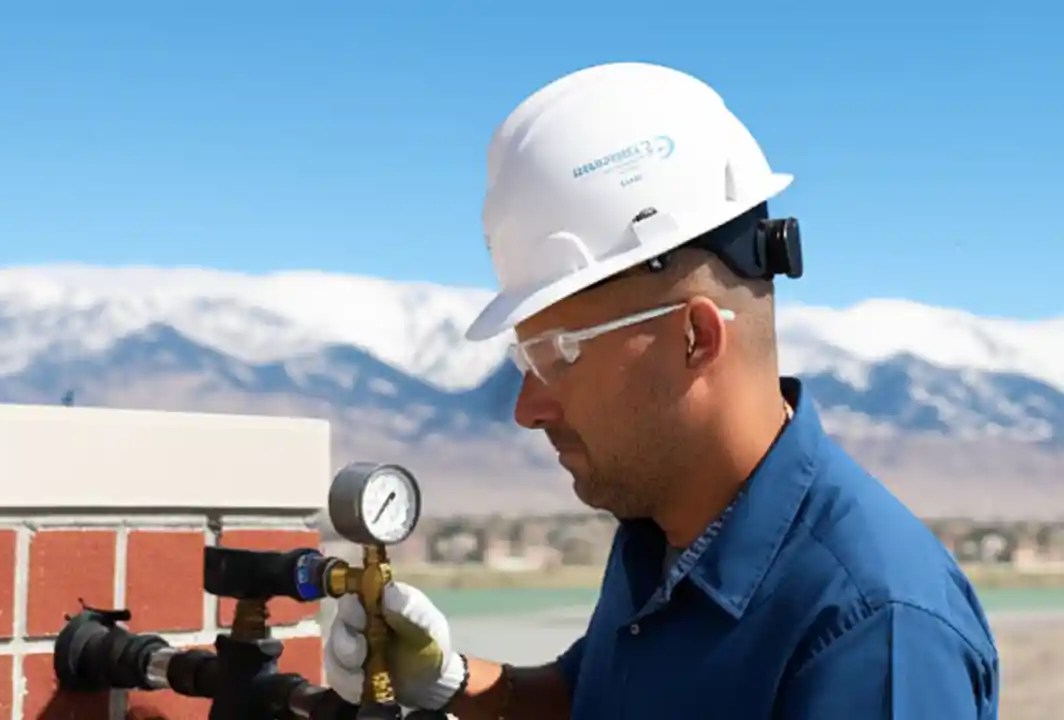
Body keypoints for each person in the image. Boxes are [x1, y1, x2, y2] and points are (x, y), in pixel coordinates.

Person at [324, 62, 1000, 718]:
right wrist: (456, 683)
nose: (526, 409)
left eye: (558, 353)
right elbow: (593, 695)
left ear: (695, 338)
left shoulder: (875, 634)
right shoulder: (663, 527)